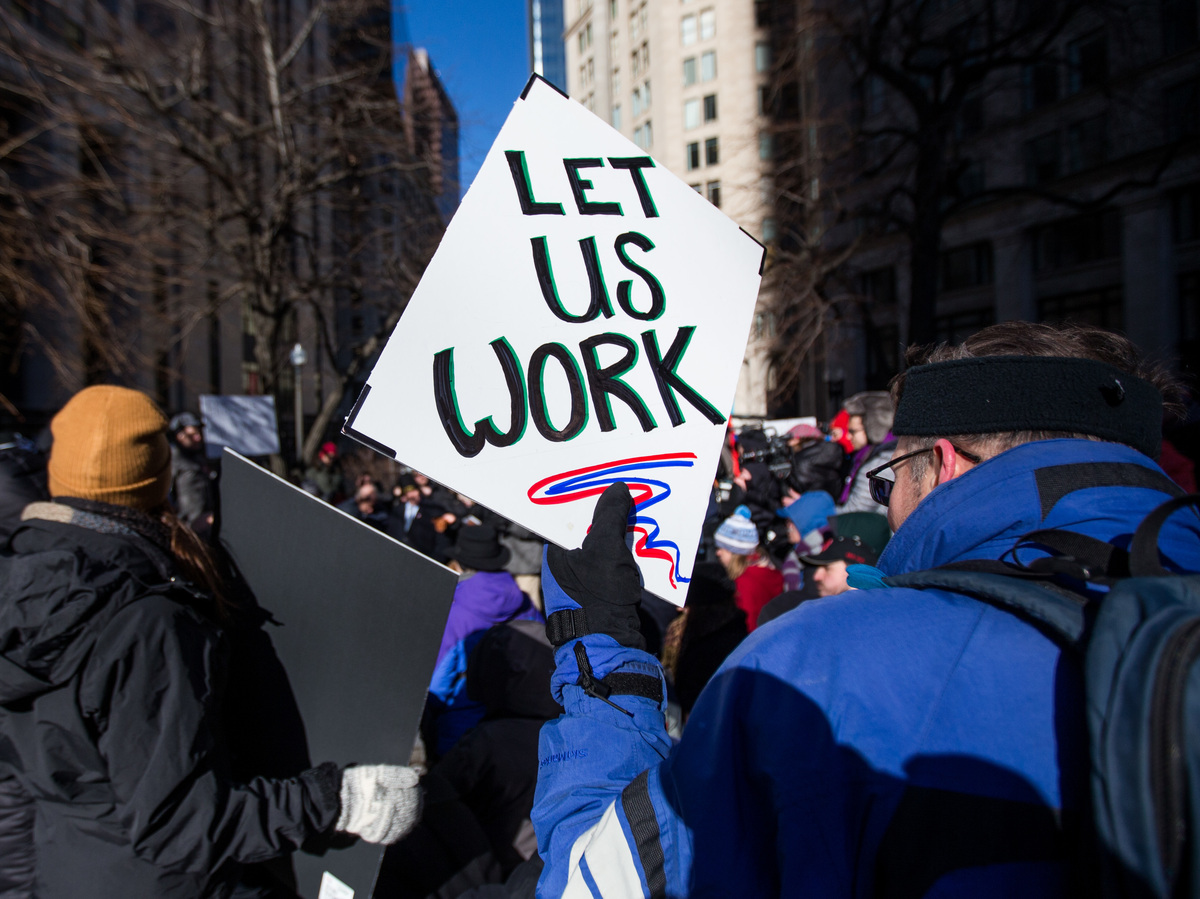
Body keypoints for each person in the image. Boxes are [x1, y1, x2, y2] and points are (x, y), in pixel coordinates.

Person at [531, 321, 1200, 897]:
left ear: (944, 465)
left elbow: (596, 881)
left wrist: (604, 649)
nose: (887, 507)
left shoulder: (822, 666)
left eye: (890, 480)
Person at [0, 386, 422, 898]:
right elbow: (181, 826)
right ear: (158, 481)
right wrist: (341, 798)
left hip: (65, 874)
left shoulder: (18, 583)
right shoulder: (144, 621)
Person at [426, 523, 543, 759]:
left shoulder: (454, 609)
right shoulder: (522, 601)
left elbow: (438, 684)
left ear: (461, 563)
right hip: (519, 723)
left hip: (462, 730)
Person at [712, 504, 783, 631]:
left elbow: (746, 625)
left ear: (735, 552)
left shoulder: (745, 584)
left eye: (722, 548)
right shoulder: (767, 570)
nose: (718, 553)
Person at [835, 391, 896, 513]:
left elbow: (854, 511)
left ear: (873, 428)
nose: (848, 436)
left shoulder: (879, 464)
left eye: (853, 431)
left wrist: (817, 513)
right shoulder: (866, 456)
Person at [168, 411, 216, 539]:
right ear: (179, 435)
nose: (198, 438)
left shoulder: (198, 458)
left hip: (204, 527)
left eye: (199, 433)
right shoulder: (173, 460)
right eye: (193, 434)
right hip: (188, 530)